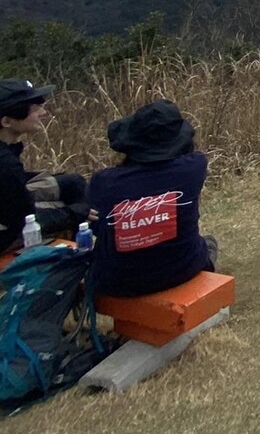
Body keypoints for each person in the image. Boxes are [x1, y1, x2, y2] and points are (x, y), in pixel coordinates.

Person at [87, 100, 215, 297]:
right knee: (208, 244)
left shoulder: (104, 182)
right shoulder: (193, 167)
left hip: (118, 281)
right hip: (183, 268)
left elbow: (98, 227)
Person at [0, 80, 89, 251]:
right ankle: (81, 257)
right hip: (8, 230)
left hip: (9, 205)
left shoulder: (7, 156)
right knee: (81, 208)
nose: (43, 112)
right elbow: (24, 219)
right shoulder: (6, 165)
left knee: (74, 182)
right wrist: (76, 212)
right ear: (7, 121)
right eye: (34, 109)